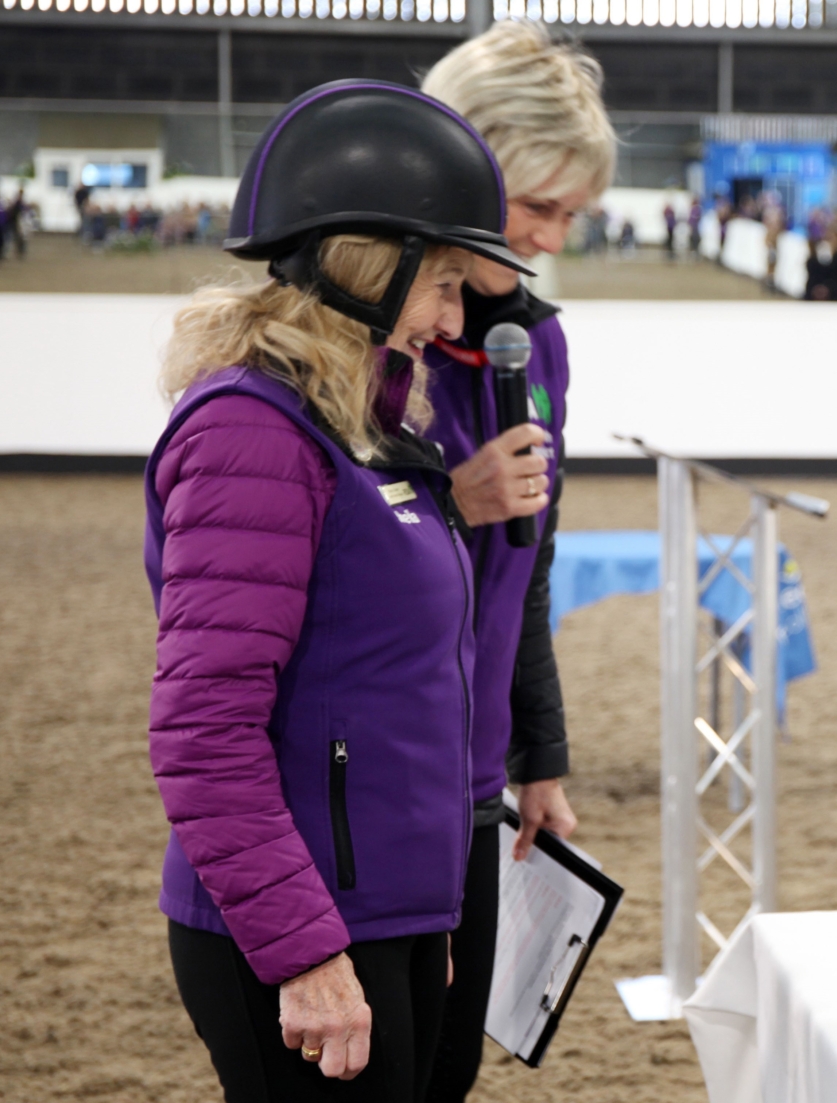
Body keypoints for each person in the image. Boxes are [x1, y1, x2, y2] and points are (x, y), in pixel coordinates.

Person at [144, 80, 533, 1103]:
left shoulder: (365, 428)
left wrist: (423, 915)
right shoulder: (251, 434)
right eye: (443, 283)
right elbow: (204, 728)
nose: (454, 317)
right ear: (370, 263)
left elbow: (405, 693)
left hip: (383, 914)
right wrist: (306, 952)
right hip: (300, 935)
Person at [420, 22, 615, 1102]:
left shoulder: (533, 343)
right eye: (536, 205)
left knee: (451, 1062)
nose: (549, 238)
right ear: (460, 162)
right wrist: (451, 498)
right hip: (377, 769)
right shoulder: (362, 339)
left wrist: (537, 755)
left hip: (477, 771)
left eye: (570, 214)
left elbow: (527, 571)